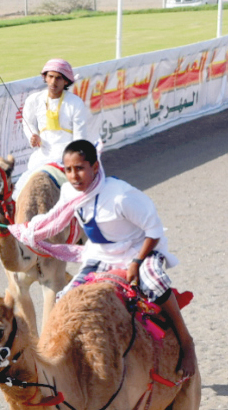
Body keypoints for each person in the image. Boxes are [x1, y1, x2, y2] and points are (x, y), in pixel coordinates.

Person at [56, 139, 196, 379]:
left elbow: (154, 230)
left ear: (95, 166)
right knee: (65, 297)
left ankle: (186, 343)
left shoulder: (121, 196)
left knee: (155, 283)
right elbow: (56, 218)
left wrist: (137, 262)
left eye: (80, 168)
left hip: (138, 248)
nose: (74, 176)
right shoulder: (69, 192)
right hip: (101, 253)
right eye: (68, 170)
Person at [17, 57, 91, 193]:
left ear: (66, 81)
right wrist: (33, 136)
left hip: (66, 158)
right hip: (42, 156)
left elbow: (80, 138)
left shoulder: (75, 103)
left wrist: (72, 161)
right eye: (50, 77)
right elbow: (27, 122)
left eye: (58, 78)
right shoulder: (34, 100)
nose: (53, 82)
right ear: (45, 77)